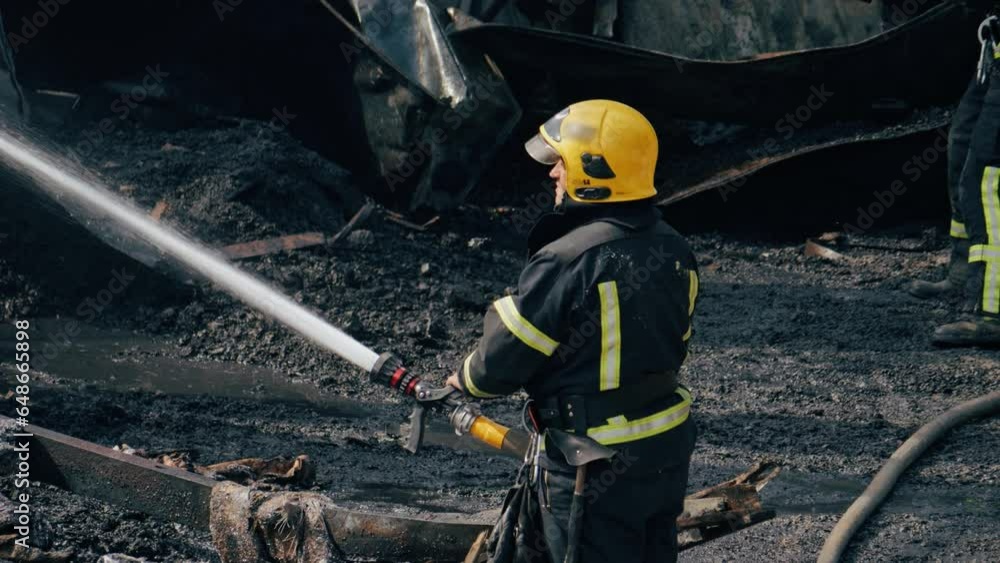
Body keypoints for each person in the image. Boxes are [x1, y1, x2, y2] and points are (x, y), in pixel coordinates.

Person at [446, 99, 698, 563]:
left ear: (593, 171)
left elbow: (498, 366)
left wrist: (463, 378)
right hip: (665, 452)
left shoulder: (568, 260)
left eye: (561, 161)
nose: (552, 174)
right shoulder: (674, 248)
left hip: (591, 463)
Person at [932, 9, 1000, 346]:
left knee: (987, 181)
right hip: (995, 52)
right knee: (962, 147)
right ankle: (962, 272)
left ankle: (993, 313)